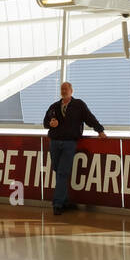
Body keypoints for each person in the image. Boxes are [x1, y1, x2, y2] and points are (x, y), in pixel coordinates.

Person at [42, 82, 107, 216]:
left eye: (66, 89)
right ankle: (65, 201)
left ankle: (57, 204)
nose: (64, 91)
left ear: (71, 90)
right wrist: (50, 123)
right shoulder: (54, 107)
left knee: (62, 172)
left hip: (69, 143)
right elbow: (45, 123)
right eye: (62, 89)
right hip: (54, 143)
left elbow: (90, 118)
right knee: (57, 170)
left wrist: (99, 130)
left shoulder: (79, 105)